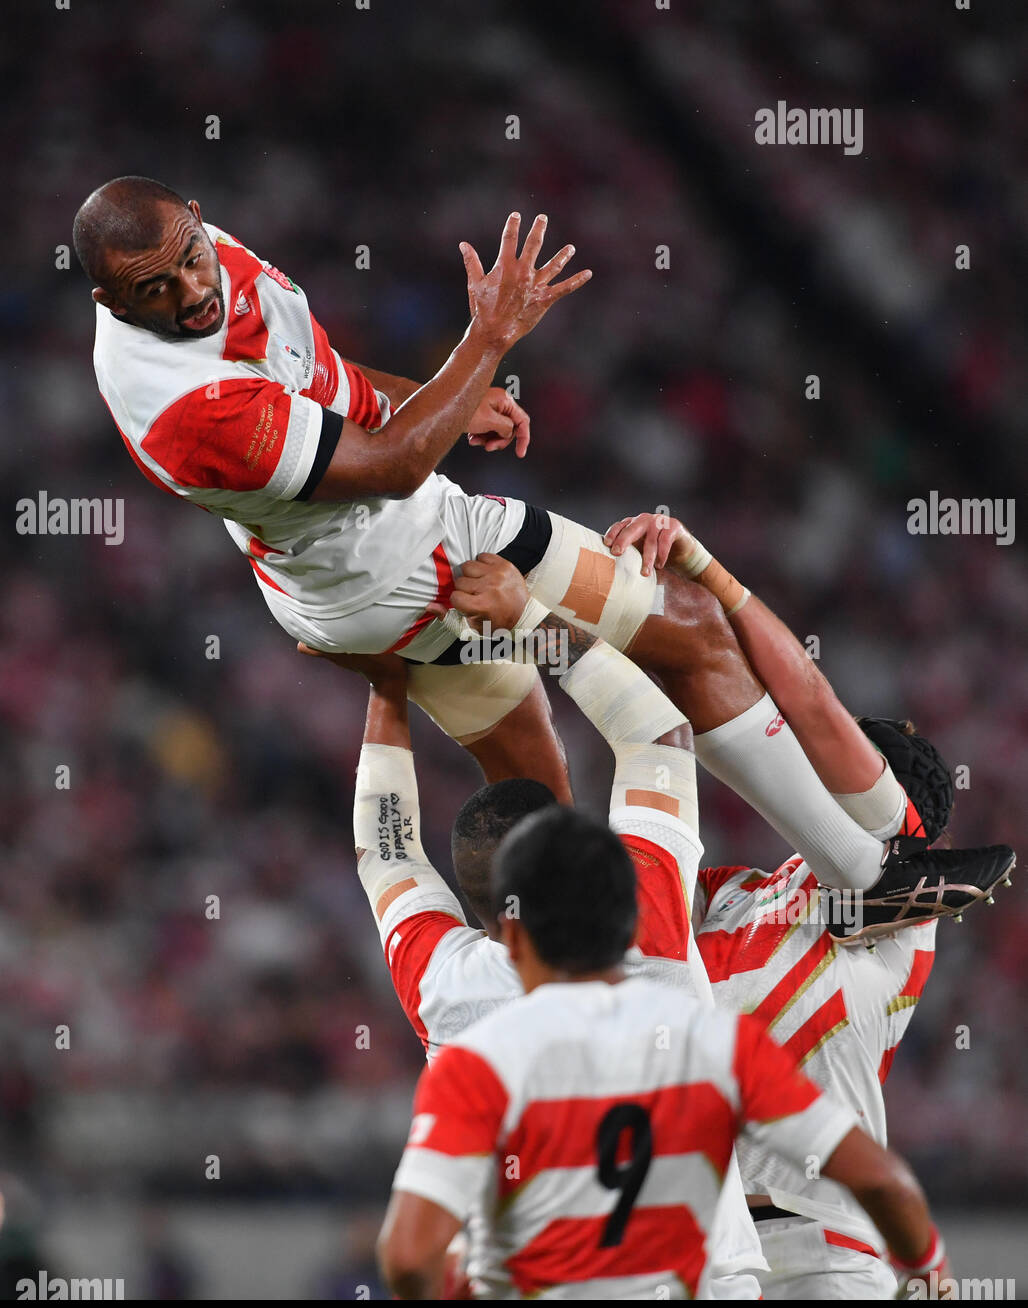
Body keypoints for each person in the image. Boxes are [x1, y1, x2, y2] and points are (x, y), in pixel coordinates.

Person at [76, 176, 986, 916]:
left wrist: (440, 393)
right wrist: (487, 340)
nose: (190, 292)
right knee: (693, 631)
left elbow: (324, 385)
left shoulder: (195, 255)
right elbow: (390, 467)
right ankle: (861, 883)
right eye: (154, 289)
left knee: (536, 795)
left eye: (189, 261)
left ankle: (568, 989)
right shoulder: (181, 405)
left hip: (344, 585)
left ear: (196, 219)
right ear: (109, 300)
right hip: (403, 554)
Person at [602, 511, 1016, 1296]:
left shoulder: (901, 908)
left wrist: (707, 570)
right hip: (702, 1240)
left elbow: (810, 702)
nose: (804, 751)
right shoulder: (739, 893)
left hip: (828, 1249)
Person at [327, 594, 765, 1297]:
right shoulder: (646, 924)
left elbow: (387, 855)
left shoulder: (443, 986)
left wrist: (387, 688)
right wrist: (531, 623)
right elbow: (659, 736)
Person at [376, 804, 949, 1300]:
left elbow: (407, 1255)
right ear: (632, 928)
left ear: (515, 939)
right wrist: (930, 1276)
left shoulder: (476, 1066)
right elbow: (882, 1183)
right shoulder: (716, 1044)